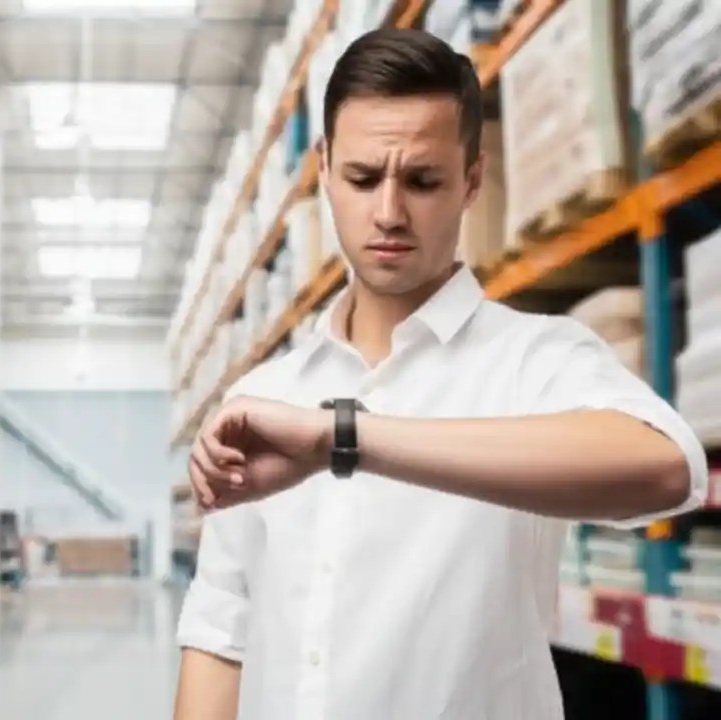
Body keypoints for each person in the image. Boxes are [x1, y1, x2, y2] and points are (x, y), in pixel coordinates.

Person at [173, 28, 707, 720]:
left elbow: (668, 467)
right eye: (363, 179)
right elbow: (220, 633)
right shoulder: (264, 399)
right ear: (326, 169)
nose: (389, 213)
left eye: (422, 180)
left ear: (472, 179)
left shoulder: (532, 359)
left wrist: (344, 440)